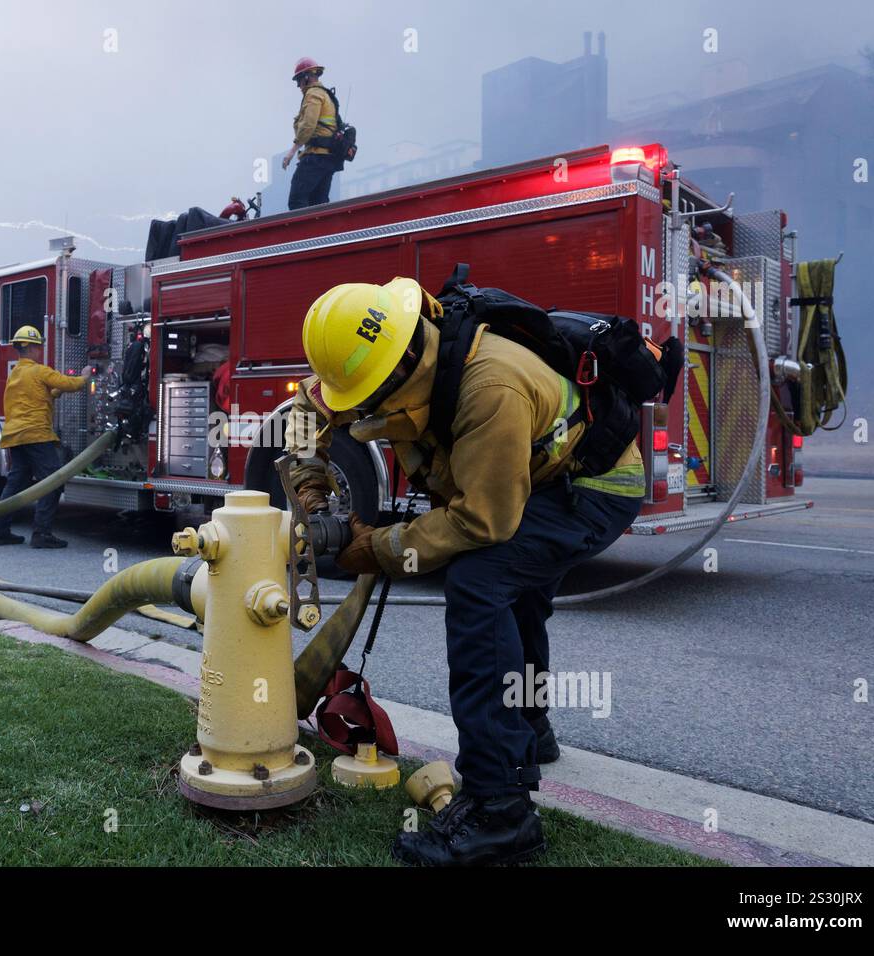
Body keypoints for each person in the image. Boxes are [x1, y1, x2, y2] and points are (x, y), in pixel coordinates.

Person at [284, 277, 646, 866]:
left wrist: (375, 546)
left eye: (367, 399)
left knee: (482, 583)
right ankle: (527, 732)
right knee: (517, 594)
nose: (359, 411)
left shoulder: (488, 388)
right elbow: (305, 410)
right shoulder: (387, 349)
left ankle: (501, 810)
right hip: (539, 474)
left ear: (397, 374)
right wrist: (314, 495)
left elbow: (483, 521)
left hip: (595, 484)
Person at [0, 325, 89, 549]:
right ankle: (42, 533)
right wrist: (84, 377)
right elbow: (68, 383)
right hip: (36, 435)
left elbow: (32, 397)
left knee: (15, 484)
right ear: (33, 348)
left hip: (16, 436)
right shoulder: (40, 371)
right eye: (39, 347)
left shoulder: (15, 374)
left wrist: (53, 392)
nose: (41, 351)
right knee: (52, 482)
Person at [283, 57, 340, 210]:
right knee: (318, 206)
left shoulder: (313, 94)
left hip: (315, 158)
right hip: (328, 160)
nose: (298, 86)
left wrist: (292, 152)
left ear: (306, 77)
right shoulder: (325, 95)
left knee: (297, 202)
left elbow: (308, 126)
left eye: (299, 81)